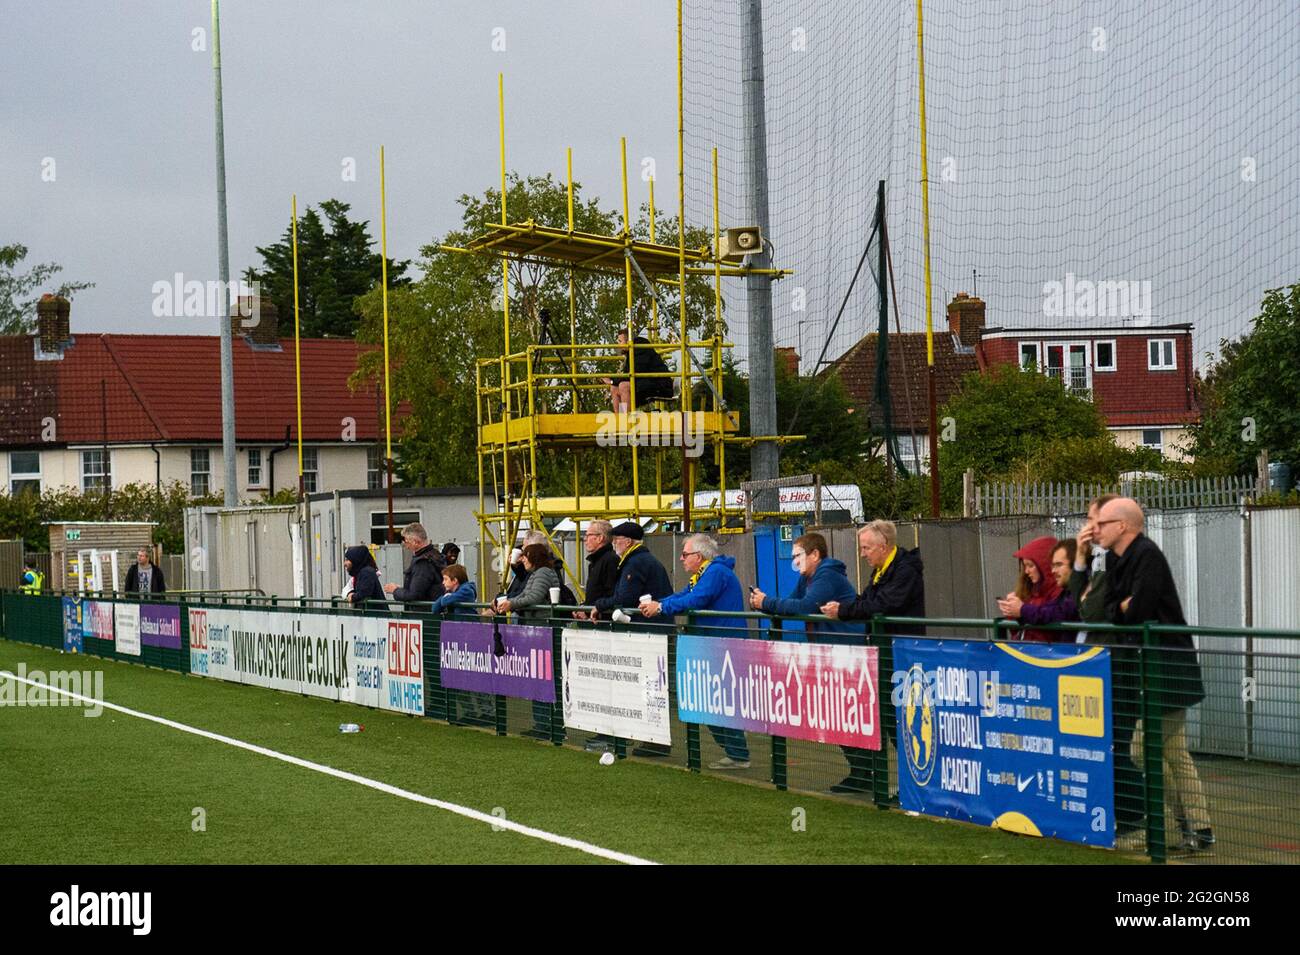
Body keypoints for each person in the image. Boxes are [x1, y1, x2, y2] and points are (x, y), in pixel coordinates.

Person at [1097, 497, 1212, 853]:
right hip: (1149, 670)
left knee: (1147, 749)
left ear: (1123, 525)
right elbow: (1106, 608)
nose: (1096, 530)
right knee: (1171, 752)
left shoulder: (1147, 555)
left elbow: (1137, 612)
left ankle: (1169, 828)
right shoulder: (1117, 559)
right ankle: (1193, 828)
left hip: (1166, 672)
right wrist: (1119, 605)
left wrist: (1121, 608)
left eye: (1102, 523)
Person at [820, 520, 925, 794]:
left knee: (900, 721)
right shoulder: (881, 572)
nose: (863, 553)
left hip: (901, 657)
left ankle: (914, 784)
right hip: (885, 655)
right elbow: (867, 600)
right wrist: (846, 607)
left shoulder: (905, 571)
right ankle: (874, 777)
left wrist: (844, 611)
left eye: (866, 548)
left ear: (884, 546)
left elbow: (884, 604)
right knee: (887, 719)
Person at [640, 534, 749, 769]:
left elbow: (696, 599)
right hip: (714, 644)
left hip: (723, 646)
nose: (681, 559)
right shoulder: (707, 573)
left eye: (685, 554)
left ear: (698, 556)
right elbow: (685, 595)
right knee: (709, 702)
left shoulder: (715, 573)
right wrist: (659, 604)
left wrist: (660, 606)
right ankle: (736, 752)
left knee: (718, 701)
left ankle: (738, 754)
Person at [494, 543, 562, 741]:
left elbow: (533, 596)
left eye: (525, 556)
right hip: (537, 627)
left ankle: (546, 725)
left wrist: (511, 603)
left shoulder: (542, 573)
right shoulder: (537, 573)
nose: (522, 559)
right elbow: (525, 595)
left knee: (543, 677)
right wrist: (506, 601)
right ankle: (542, 724)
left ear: (534, 556)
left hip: (540, 628)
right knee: (539, 677)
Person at [997, 539, 1079, 638]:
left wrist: (1022, 610)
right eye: (1025, 566)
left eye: (1031, 565)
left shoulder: (1063, 593)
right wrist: (1011, 611)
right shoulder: (1030, 591)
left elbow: (1056, 615)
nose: (1026, 571)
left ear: (1043, 565)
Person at [591, 522, 672, 619]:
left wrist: (600, 605)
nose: (614, 543)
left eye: (616, 539)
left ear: (628, 542)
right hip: (657, 623)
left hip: (648, 625)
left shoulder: (635, 563)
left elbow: (625, 598)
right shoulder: (643, 559)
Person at [603, 328, 674, 411]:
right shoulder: (631, 352)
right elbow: (628, 374)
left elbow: (636, 371)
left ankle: (627, 420)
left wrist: (612, 380)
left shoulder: (640, 347)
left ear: (628, 341)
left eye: (620, 341)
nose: (618, 345)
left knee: (624, 386)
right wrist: (613, 381)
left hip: (659, 384)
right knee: (614, 388)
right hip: (646, 383)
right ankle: (620, 419)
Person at [384, 522, 445, 603]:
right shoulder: (435, 555)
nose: (406, 545)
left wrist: (395, 590)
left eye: (407, 541)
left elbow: (415, 595)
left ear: (416, 542)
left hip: (423, 612)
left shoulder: (423, 563)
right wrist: (402, 589)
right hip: (434, 608)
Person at [575, 520, 620, 622]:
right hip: (596, 618)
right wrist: (583, 607)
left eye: (588, 535)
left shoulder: (610, 560)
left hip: (605, 621)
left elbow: (611, 593)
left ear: (600, 538)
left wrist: (587, 611)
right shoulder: (596, 562)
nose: (585, 539)